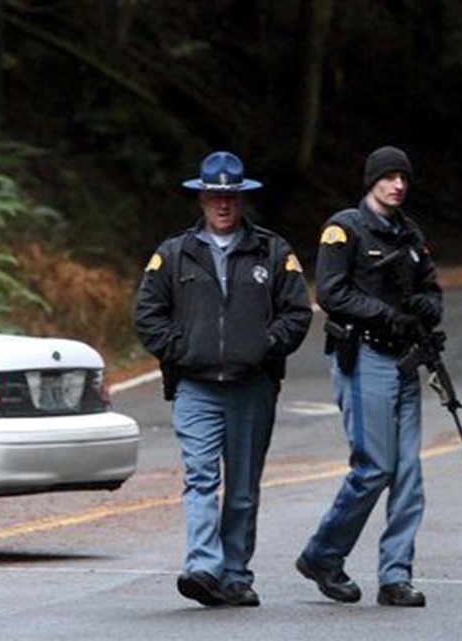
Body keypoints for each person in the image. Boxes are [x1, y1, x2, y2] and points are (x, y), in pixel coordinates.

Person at [134, 150, 312, 607]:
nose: (223, 204)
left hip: (253, 387)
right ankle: (203, 566)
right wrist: (183, 350)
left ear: (242, 199)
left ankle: (235, 575)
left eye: (231, 196)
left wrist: (265, 346)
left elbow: (297, 312)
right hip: (195, 387)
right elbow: (147, 314)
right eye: (215, 195)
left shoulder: (272, 251)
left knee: (242, 488)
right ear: (201, 198)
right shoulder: (174, 253)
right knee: (200, 478)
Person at [294, 145, 443, 607]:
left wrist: (427, 309)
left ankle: (396, 576)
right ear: (372, 180)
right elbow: (332, 293)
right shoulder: (345, 229)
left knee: (408, 474)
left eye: (404, 177)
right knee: (374, 467)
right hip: (364, 358)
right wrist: (385, 315)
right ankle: (323, 554)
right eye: (390, 176)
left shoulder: (410, 234)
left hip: (404, 361)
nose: (398, 184)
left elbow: (431, 289)